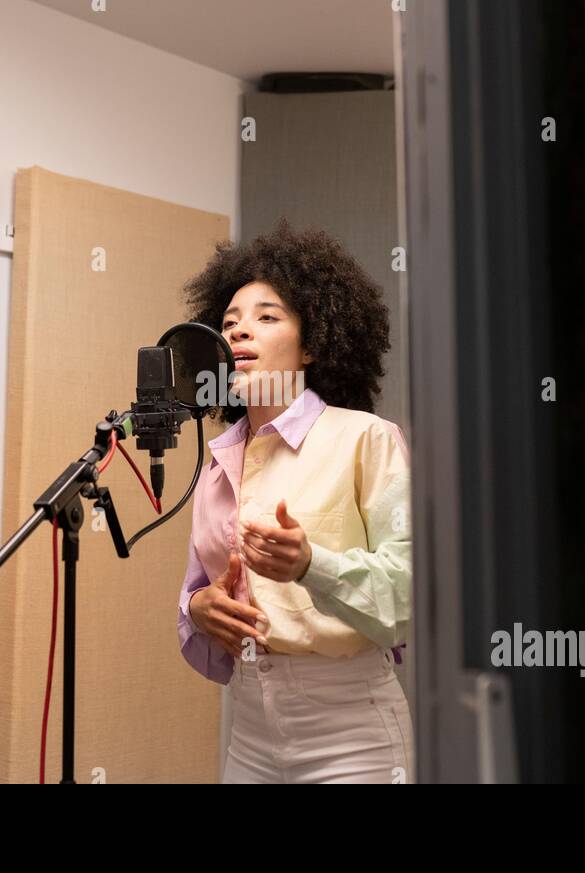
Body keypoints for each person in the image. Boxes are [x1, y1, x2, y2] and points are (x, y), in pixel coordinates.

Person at [176, 219, 413, 784]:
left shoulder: (366, 439)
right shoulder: (217, 460)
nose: (238, 333)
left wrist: (311, 565)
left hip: (351, 734)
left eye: (266, 317)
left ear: (311, 344)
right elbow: (195, 592)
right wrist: (197, 612)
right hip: (250, 729)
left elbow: (409, 595)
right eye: (228, 323)